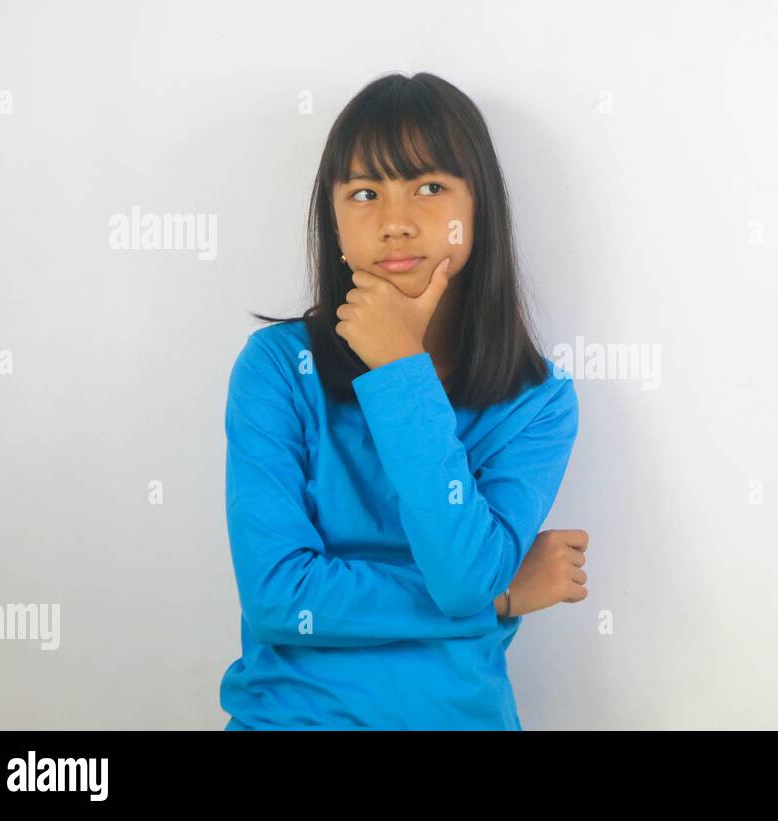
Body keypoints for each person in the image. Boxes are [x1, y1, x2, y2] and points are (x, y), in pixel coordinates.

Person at [219, 72, 588, 730]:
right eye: (364, 193)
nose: (394, 223)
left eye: (429, 187)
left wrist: (399, 371)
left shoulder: (537, 403)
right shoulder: (277, 369)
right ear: (332, 221)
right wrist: (502, 598)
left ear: (478, 208)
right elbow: (279, 597)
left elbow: (461, 577)